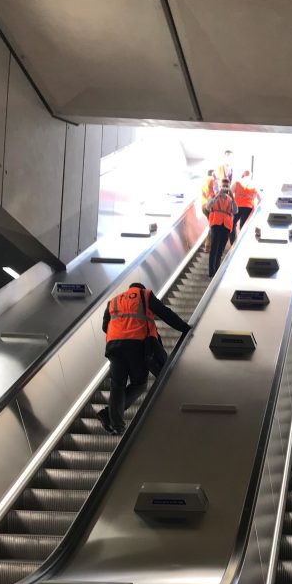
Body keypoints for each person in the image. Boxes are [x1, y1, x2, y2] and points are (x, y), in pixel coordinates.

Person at [96, 282, 191, 434]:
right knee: (139, 384)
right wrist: (186, 329)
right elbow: (165, 313)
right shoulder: (144, 294)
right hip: (136, 345)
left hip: (114, 347)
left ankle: (116, 424)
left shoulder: (113, 301)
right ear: (140, 288)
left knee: (117, 385)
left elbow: (104, 326)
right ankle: (108, 415)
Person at [207, 178, 234, 277]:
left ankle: (216, 273)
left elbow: (235, 211)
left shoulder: (230, 199)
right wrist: (217, 196)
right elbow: (208, 207)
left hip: (226, 226)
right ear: (220, 186)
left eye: (227, 186)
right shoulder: (214, 196)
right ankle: (211, 272)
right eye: (223, 186)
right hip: (215, 224)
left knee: (220, 250)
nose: (225, 188)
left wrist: (233, 198)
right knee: (214, 249)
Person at [200, 168, 217, 252]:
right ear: (212, 174)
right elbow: (212, 194)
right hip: (209, 206)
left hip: (203, 205)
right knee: (213, 225)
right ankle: (208, 245)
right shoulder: (212, 180)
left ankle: (208, 245)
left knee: (212, 225)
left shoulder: (203, 181)